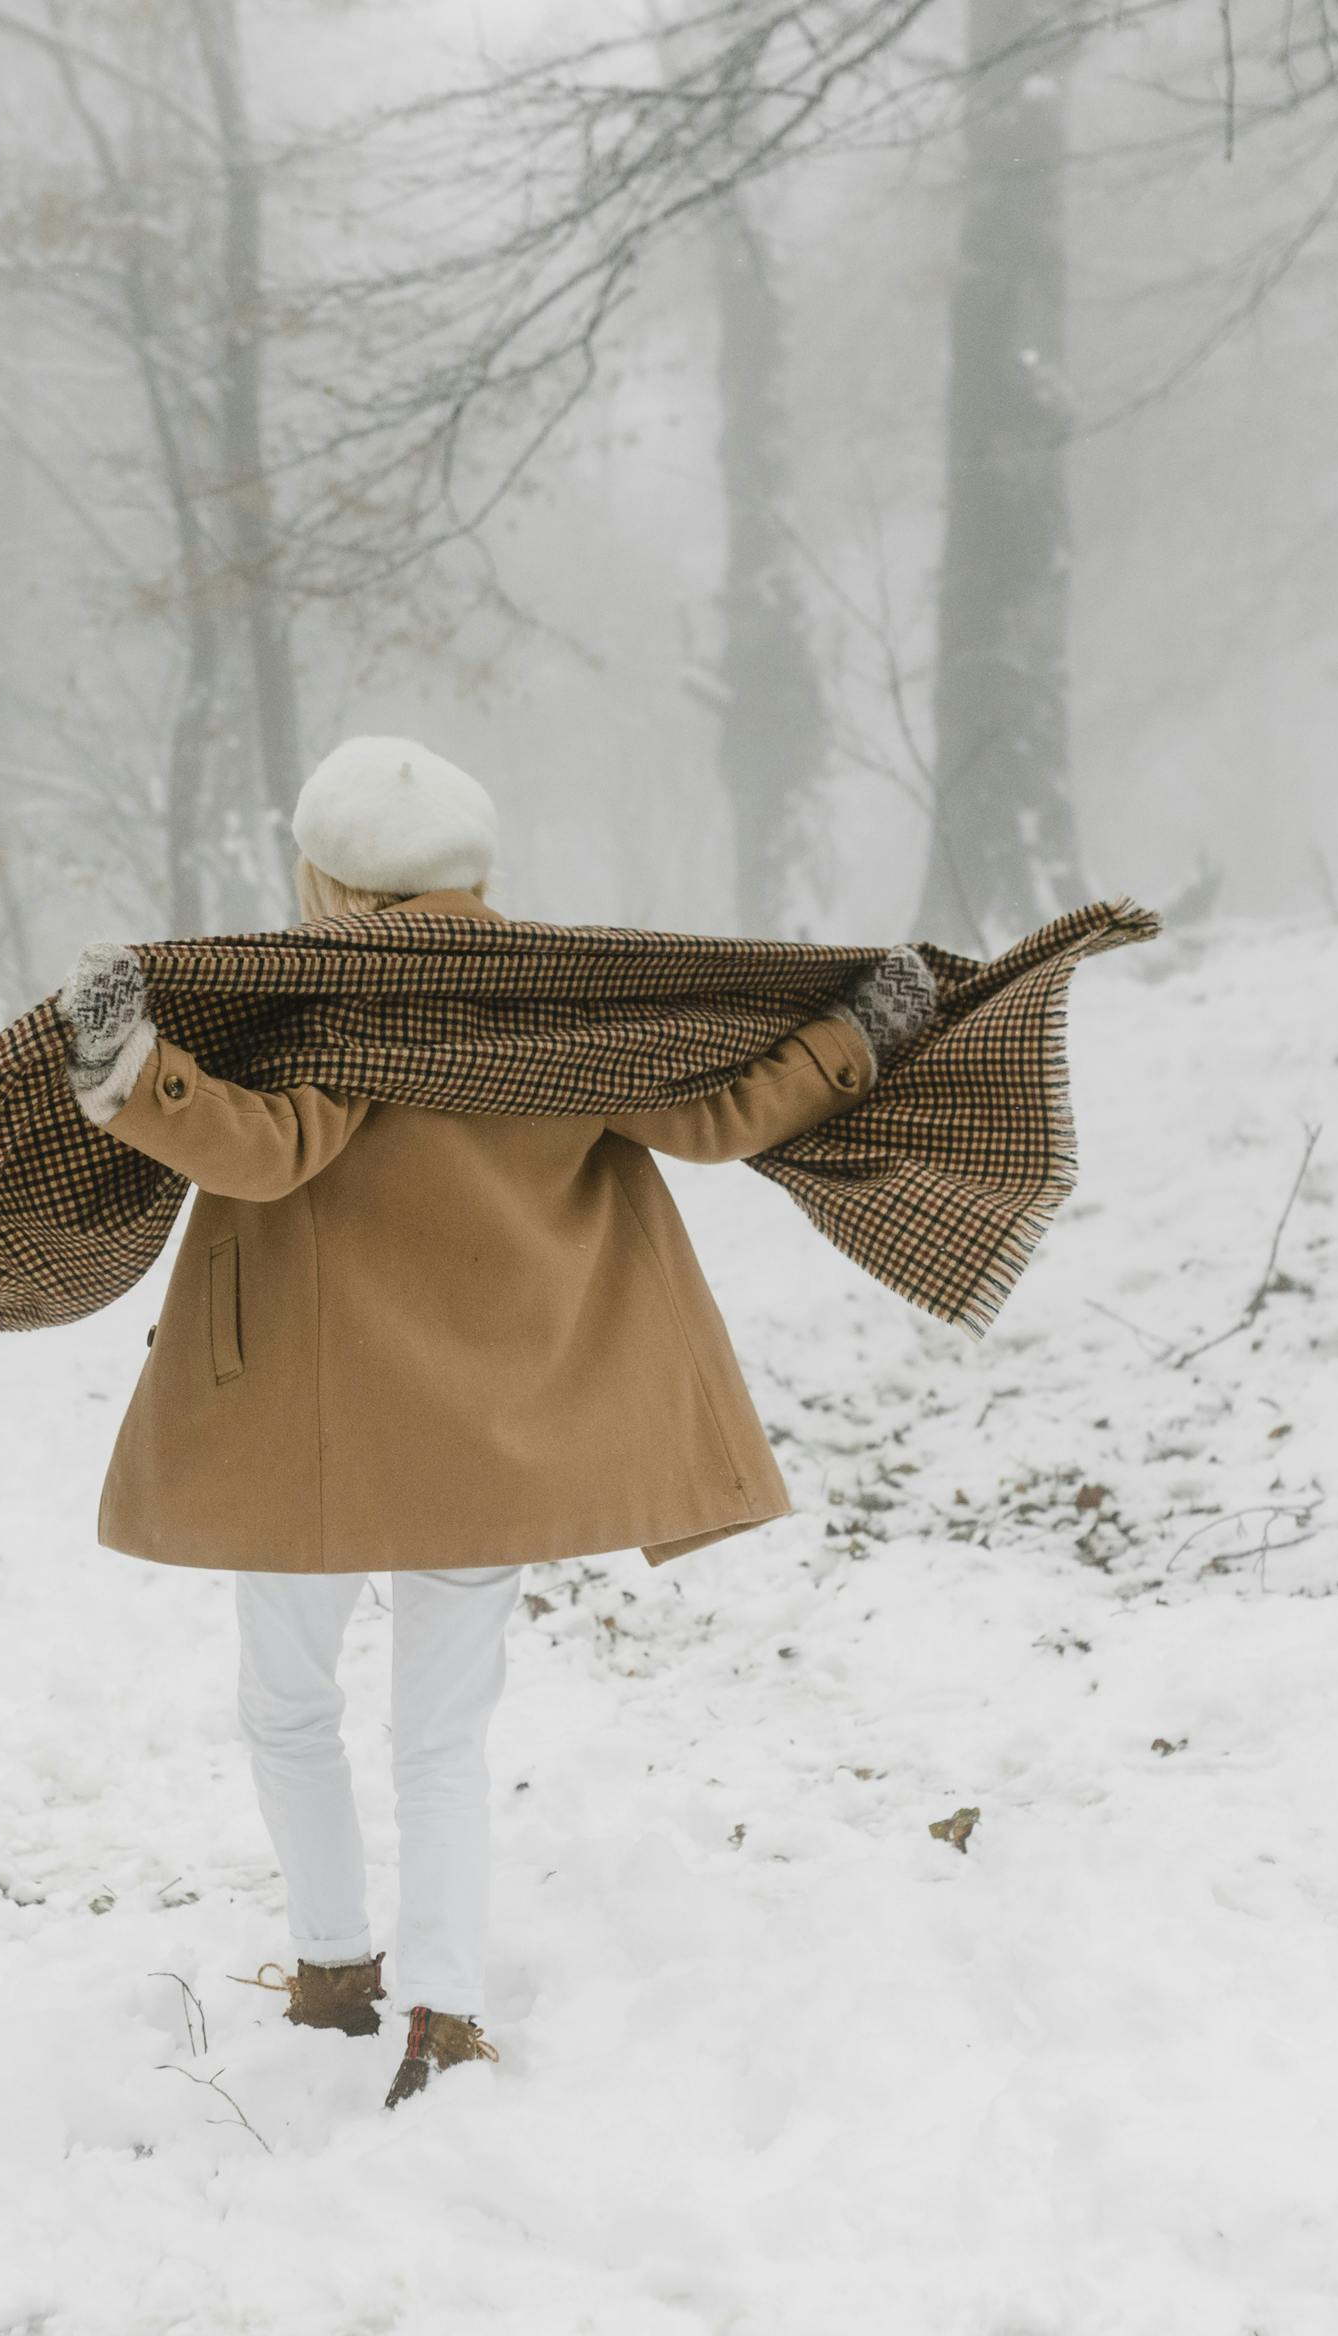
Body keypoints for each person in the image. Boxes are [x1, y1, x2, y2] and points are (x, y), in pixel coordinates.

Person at [48, 737, 935, 2109]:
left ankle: (335, 1971)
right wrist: (858, 1033)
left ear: (327, 885)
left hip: (313, 1443)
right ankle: (442, 2015)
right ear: (481, 876)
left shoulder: (336, 1008)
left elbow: (266, 1147)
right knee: (442, 1737)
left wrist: (133, 1073)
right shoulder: (561, 1006)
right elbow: (716, 1112)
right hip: (491, 1438)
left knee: (288, 1705)